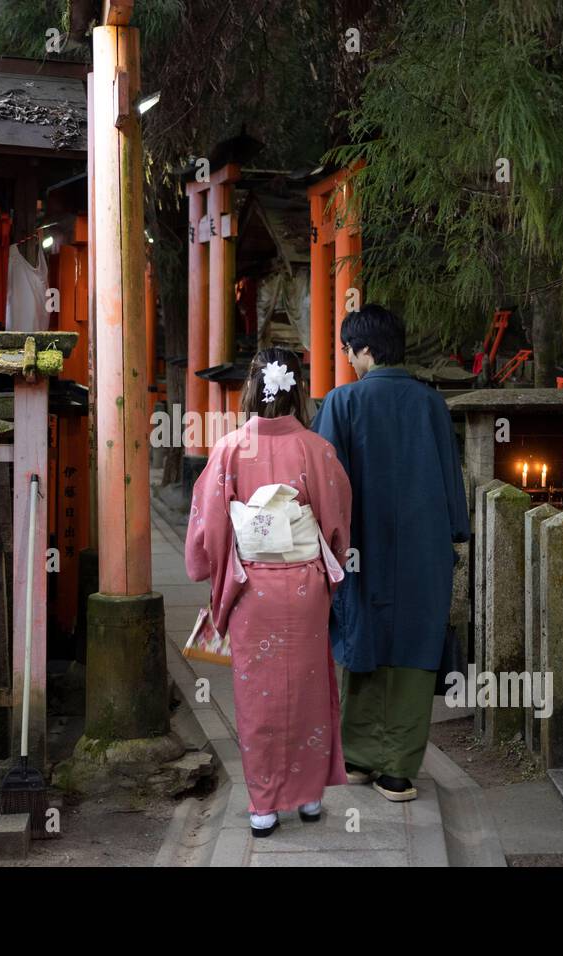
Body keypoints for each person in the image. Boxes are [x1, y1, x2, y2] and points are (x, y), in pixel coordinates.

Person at [184, 348, 353, 837]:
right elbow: (337, 522)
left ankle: (263, 805)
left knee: (256, 694)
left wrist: (211, 568)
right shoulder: (317, 449)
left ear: (252, 390)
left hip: (252, 587)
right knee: (308, 687)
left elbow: (209, 529)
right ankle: (309, 797)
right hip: (304, 589)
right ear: (297, 389)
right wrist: (333, 561)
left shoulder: (231, 448)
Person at [312, 305, 470, 802]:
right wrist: (454, 537)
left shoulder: (342, 403)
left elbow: (324, 486)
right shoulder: (431, 405)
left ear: (364, 349)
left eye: (348, 350)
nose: (348, 360)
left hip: (362, 547)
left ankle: (358, 758)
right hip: (424, 548)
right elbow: (451, 479)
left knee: (363, 641)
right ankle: (398, 771)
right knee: (414, 653)